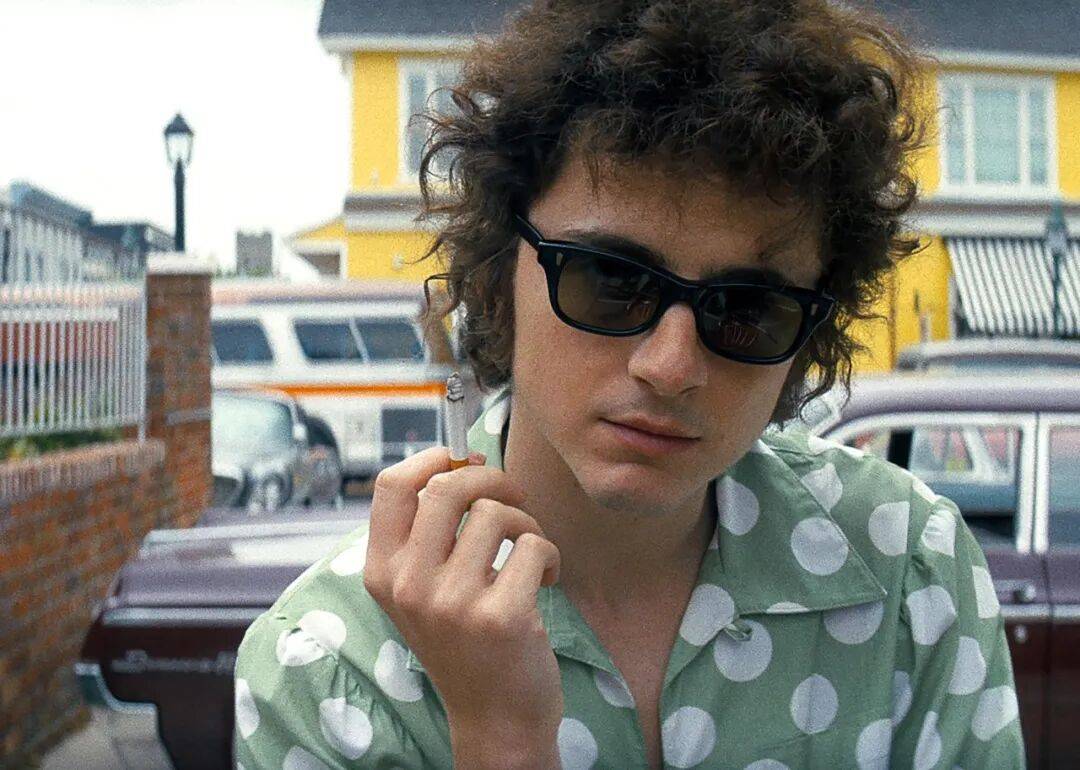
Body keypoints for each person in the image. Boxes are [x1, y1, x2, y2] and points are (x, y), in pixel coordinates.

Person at [233, 1, 1025, 767]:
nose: (671, 366)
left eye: (748, 309)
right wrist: (498, 731)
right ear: (501, 270)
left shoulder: (909, 568)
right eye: (610, 278)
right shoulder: (330, 670)